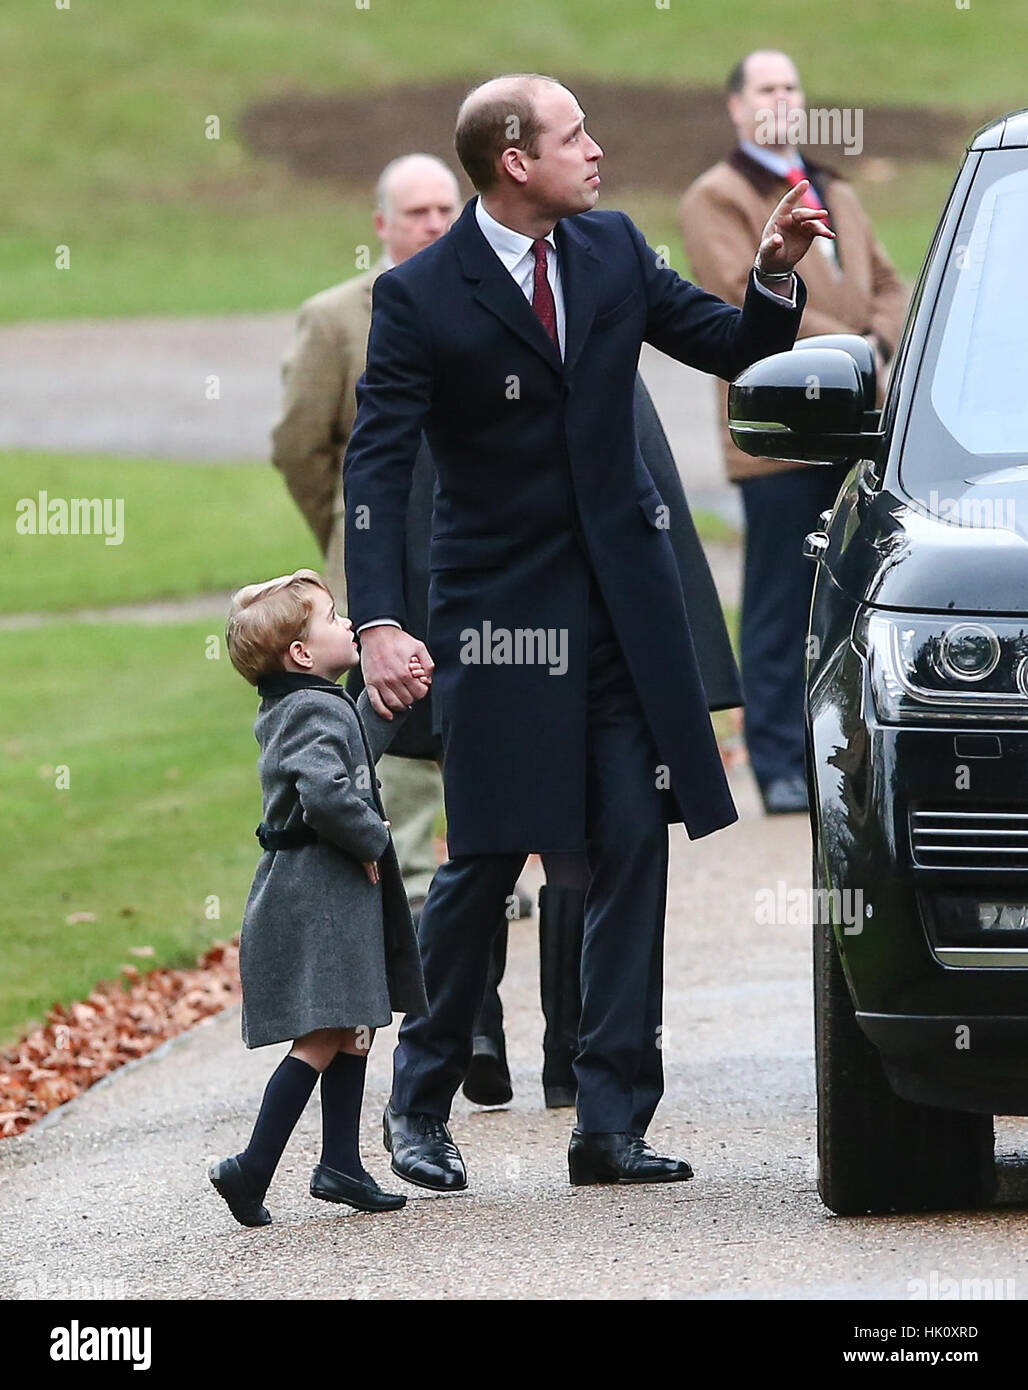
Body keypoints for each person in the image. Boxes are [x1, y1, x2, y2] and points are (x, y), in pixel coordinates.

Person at [344, 72, 828, 1190]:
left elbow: (728, 344)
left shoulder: (609, 249)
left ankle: (607, 1121)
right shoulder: (421, 296)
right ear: (515, 159)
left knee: (628, 845)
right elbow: (374, 469)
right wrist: (377, 620)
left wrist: (769, 274)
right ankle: (417, 1104)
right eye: (573, 136)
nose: (596, 149)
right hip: (498, 621)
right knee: (485, 855)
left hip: (622, 612)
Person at [679, 49, 907, 815]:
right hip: (778, 433)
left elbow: (887, 283)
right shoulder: (716, 197)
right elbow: (750, 297)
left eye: (792, 86)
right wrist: (855, 346)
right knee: (780, 603)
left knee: (849, 600)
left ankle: (840, 759)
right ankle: (774, 758)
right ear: (738, 108)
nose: (782, 98)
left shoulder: (833, 187)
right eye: (765, 88)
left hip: (855, 429)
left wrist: (875, 345)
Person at [208, 568, 429, 1226]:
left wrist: (386, 707)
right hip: (320, 889)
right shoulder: (309, 707)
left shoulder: (303, 702)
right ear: (301, 653)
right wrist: (373, 838)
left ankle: (340, 1165)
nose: (349, 626)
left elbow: (343, 758)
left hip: (325, 889)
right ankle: (250, 1168)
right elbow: (328, 794)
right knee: (325, 1032)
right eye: (333, 619)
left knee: (354, 1024)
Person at [270, 154, 460, 919]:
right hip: (382, 562)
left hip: (473, 556)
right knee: (398, 716)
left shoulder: (484, 299)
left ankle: (483, 879)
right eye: (418, 212)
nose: (437, 224)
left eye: (447, 208)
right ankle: (410, 886)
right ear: (381, 224)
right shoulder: (337, 316)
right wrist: (343, 531)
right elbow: (299, 444)